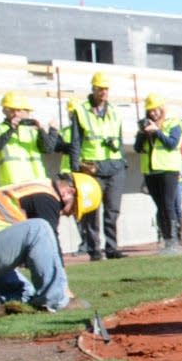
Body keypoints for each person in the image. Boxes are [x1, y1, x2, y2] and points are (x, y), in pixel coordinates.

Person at [0, 172, 100, 312]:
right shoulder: (47, 197)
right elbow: (51, 245)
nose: (67, 214)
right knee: (40, 228)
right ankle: (56, 301)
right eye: (72, 210)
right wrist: (65, 292)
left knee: (26, 292)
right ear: (68, 193)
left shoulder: (37, 190)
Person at [69, 72, 129, 259]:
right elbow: (76, 142)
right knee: (92, 211)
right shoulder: (81, 110)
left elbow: (118, 139)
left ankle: (112, 248)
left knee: (112, 210)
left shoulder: (115, 112)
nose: (103, 92)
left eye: (105, 89)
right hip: (92, 168)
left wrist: (122, 159)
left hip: (114, 166)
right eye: (100, 88)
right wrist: (75, 168)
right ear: (93, 89)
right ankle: (94, 249)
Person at [135, 94, 182, 253]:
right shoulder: (145, 126)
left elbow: (172, 143)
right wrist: (144, 134)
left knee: (168, 204)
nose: (153, 114)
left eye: (156, 110)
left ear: (162, 109)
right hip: (150, 171)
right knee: (159, 205)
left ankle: (173, 240)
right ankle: (165, 238)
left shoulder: (173, 123)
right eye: (150, 111)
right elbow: (138, 148)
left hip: (168, 170)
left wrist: (157, 131)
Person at [0, 92, 60, 186]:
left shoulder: (33, 130)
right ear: (6, 111)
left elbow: (48, 149)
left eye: (22, 111)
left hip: (37, 182)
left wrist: (41, 130)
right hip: (11, 183)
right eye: (14, 110)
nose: (18, 114)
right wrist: (11, 128)